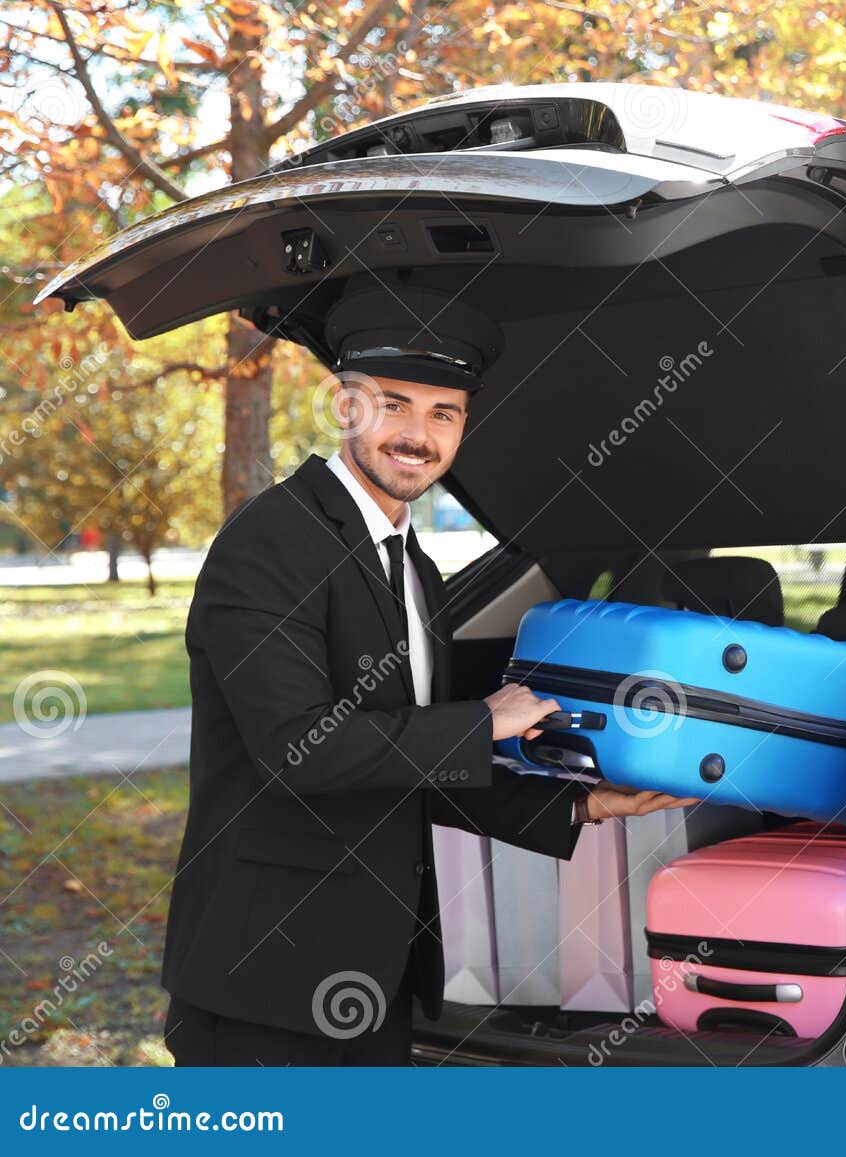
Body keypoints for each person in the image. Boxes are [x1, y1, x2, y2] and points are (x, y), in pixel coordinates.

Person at [161, 274, 696, 1065]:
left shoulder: (417, 566)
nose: (419, 434)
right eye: (395, 405)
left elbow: (417, 763)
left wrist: (583, 808)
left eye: (444, 413)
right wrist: (486, 720)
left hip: (379, 973)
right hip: (264, 983)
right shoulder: (270, 540)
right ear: (346, 407)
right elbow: (300, 749)